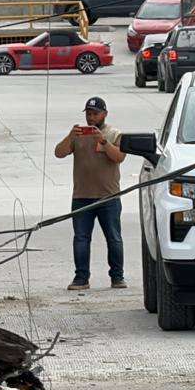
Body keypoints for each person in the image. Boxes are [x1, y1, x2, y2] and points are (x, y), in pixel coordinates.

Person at [53, 97, 126, 291]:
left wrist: (103, 141)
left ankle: (117, 277)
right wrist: (70, 136)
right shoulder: (77, 135)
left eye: (95, 114)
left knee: (114, 238)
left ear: (105, 114)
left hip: (108, 197)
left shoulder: (114, 133)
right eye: (88, 114)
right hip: (82, 197)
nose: (91, 118)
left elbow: (119, 157)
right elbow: (59, 153)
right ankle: (81, 278)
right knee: (81, 238)